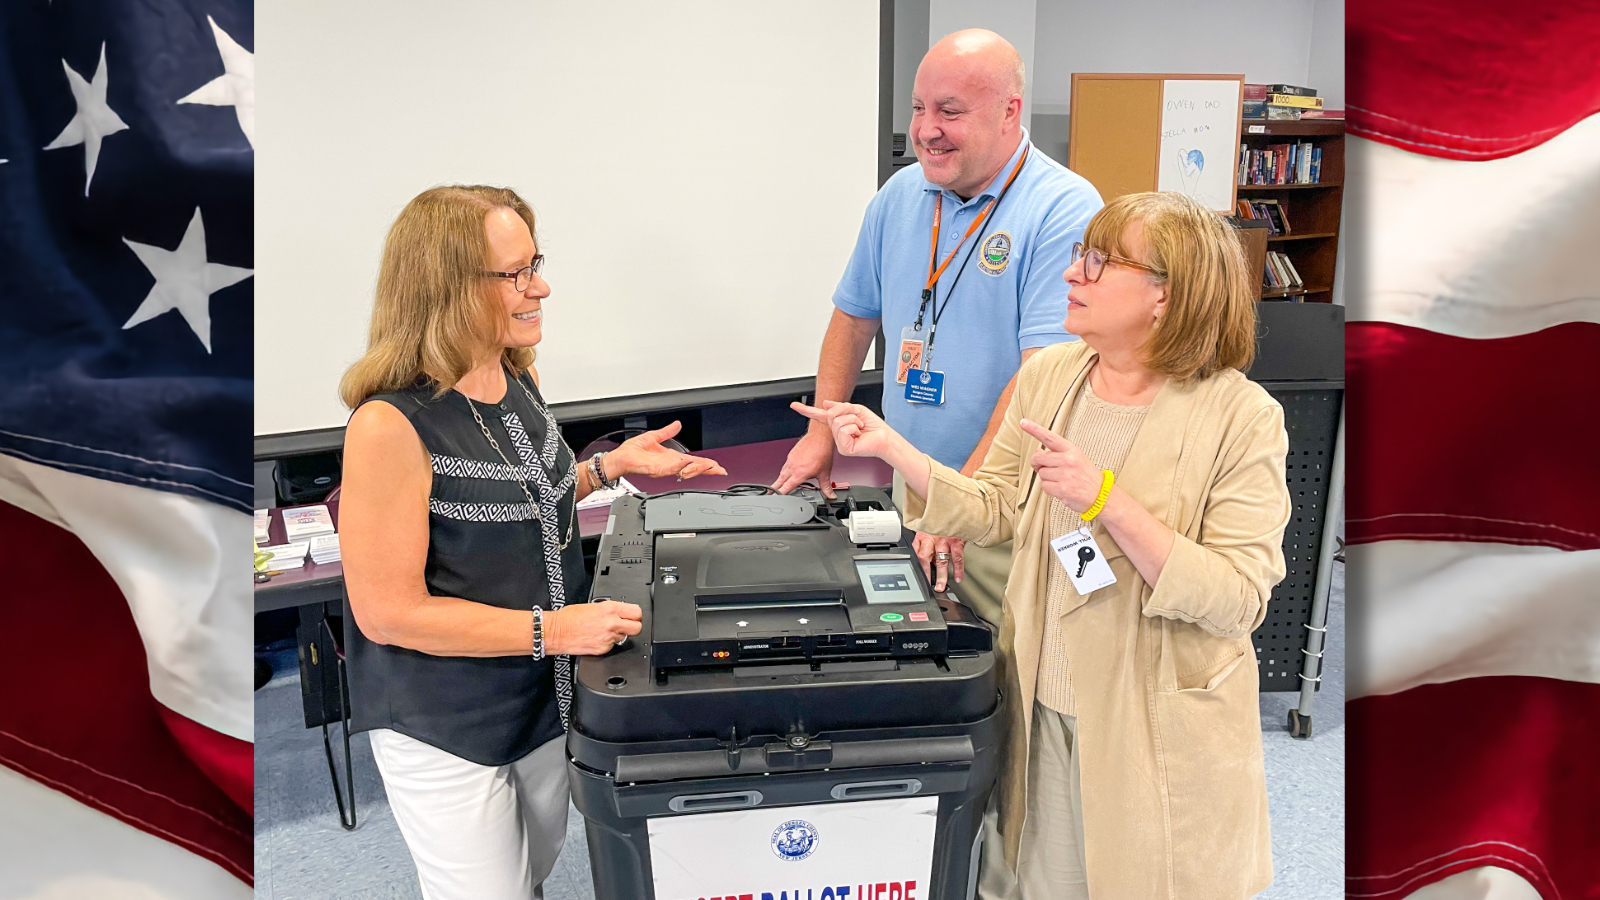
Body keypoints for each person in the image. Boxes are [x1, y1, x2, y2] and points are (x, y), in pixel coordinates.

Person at [796, 191, 1289, 900]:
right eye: (1078, 255)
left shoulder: (1242, 417)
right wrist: (892, 449)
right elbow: (996, 506)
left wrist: (1106, 500)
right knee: (1034, 880)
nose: (1072, 275)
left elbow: (1238, 598)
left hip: (1152, 719)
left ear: (1165, 295)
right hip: (1044, 698)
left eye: (1100, 260)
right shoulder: (1052, 375)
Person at [336, 185, 726, 900]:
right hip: (445, 720)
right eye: (515, 274)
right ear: (448, 288)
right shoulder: (388, 426)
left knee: (535, 873)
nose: (539, 286)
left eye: (534, 263)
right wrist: (556, 628)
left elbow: (524, 502)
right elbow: (387, 612)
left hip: (543, 696)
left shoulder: (518, 377)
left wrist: (608, 468)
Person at [772, 28, 1102, 627]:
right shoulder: (900, 195)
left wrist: (962, 502)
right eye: (919, 109)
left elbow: (1043, 376)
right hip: (915, 484)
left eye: (950, 111)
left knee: (1006, 667)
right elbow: (851, 319)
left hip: (1004, 499)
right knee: (924, 663)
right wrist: (824, 427)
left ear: (1009, 112)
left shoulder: (1064, 207)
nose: (926, 129)